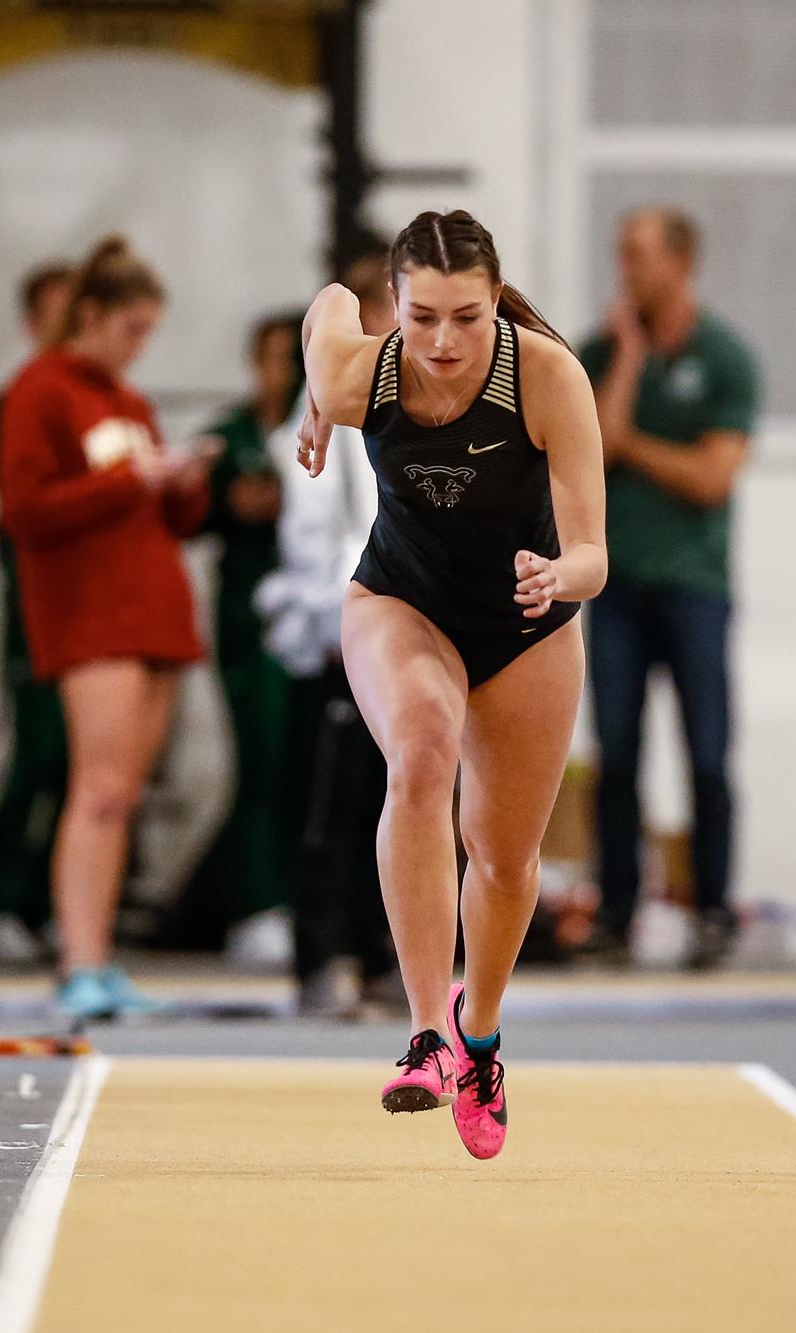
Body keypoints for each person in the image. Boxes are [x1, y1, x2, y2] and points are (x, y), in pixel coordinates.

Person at [298, 209, 606, 1159]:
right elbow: (327, 306)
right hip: (403, 601)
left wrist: (561, 576)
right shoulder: (364, 373)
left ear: (495, 303)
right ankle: (428, 1032)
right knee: (421, 754)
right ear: (396, 306)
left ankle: (480, 1033)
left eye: (466, 319)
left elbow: (594, 549)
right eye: (422, 316)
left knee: (506, 859)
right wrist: (319, 397)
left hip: (526, 620)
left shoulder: (546, 375)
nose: (442, 342)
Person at [0, 234, 214, 1023]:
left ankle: (98, 952)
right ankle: (77, 959)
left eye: (148, 332)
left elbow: (167, 516)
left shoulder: (129, 401)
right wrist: (129, 480)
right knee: (96, 789)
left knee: (122, 795)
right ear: (90, 316)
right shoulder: (40, 389)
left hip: (151, 607)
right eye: (131, 329)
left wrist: (184, 482)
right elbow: (24, 510)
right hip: (90, 614)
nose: (139, 346)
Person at [578, 206, 758, 969]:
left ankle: (712, 907)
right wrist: (624, 359)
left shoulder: (725, 358)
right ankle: (618, 908)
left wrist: (635, 449)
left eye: (641, 255)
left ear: (683, 261)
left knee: (707, 754)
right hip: (615, 584)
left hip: (694, 588)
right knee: (615, 753)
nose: (628, 269)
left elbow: (713, 478)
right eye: (622, 254)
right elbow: (592, 445)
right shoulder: (596, 350)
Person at [256, 243, 399, 1018]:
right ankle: (321, 955)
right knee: (327, 808)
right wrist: (346, 621)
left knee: (401, 800)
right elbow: (314, 550)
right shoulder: (317, 424)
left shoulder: (418, 408)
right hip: (338, 645)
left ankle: (385, 956)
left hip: (406, 644)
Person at [0, 260, 75, 969]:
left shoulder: (95, 400)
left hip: (86, 607)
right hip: (35, 605)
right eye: (58, 312)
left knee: (78, 762)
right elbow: (28, 505)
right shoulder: (15, 401)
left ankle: (49, 904)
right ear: (32, 320)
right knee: (34, 753)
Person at [200, 312, 300, 967]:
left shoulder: (327, 431)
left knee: (305, 761)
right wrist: (227, 499)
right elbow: (194, 506)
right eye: (264, 358)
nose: (275, 374)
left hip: (315, 622)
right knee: (259, 758)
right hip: (249, 619)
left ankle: (299, 898)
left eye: (285, 359)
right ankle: (254, 903)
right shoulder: (229, 435)